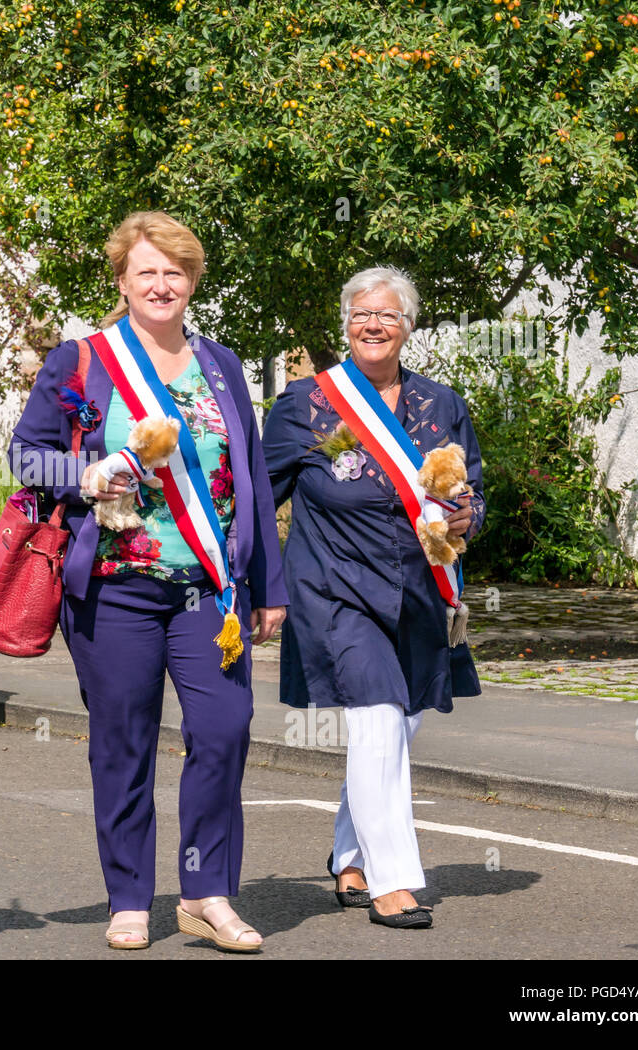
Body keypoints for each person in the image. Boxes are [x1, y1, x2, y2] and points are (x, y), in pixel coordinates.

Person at [9, 211, 288, 951]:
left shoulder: (222, 366)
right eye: (146, 272)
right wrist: (84, 472)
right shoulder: (80, 361)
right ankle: (130, 898)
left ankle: (205, 893)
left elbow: (251, 479)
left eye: (175, 271)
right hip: (114, 586)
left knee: (224, 730)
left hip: (209, 588)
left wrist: (270, 586)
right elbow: (26, 458)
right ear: (122, 282)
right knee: (124, 742)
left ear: (193, 280)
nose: (161, 284)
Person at [262, 265, 485, 929]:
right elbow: (250, 498)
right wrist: (248, 584)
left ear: (408, 327)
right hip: (333, 589)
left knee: (392, 730)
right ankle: (393, 883)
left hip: (418, 593)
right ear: (346, 325)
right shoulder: (305, 405)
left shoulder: (440, 404)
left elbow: (472, 491)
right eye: (362, 314)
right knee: (379, 718)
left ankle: (348, 854)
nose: (374, 325)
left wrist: (470, 515)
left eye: (388, 315)